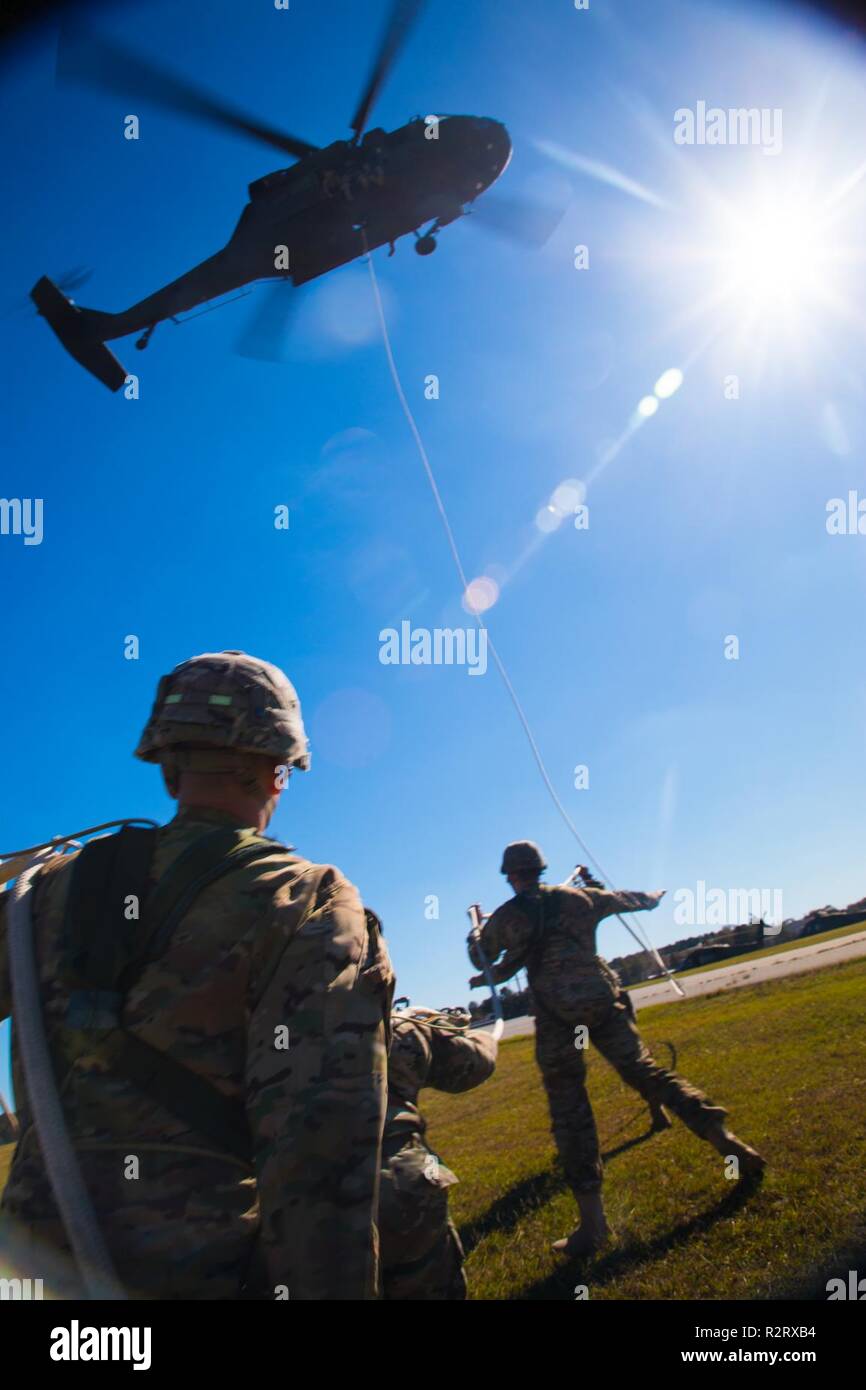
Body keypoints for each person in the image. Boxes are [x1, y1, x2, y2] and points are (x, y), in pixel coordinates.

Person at [0, 650, 393, 1299]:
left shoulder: (40, 893)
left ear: (169, 767)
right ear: (278, 772)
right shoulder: (309, 899)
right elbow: (322, 1169)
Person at [467, 840, 766, 1258]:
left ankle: (593, 1226)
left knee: (570, 1111)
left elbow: (482, 957)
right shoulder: (580, 898)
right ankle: (725, 1139)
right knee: (648, 1073)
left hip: (558, 1016)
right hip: (603, 1002)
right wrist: (655, 895)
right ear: (540, 868)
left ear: (511, 875)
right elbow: (633, 900)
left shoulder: (507, 917)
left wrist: (476, 933)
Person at [379, 1004, 497, 1299]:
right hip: (398, 1197)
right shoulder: (398, 1031)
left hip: (291, 1210)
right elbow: (475, 1065)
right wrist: (484, 1038)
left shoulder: (265, 1045)